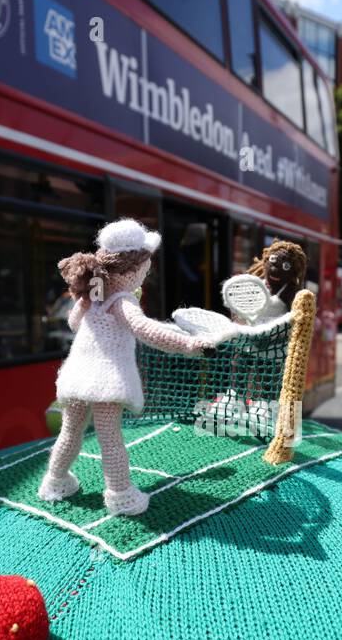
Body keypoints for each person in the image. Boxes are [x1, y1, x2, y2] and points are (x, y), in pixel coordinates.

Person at [39, 219, 214, 516]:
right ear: (132, 271)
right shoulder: (122, 301)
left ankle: (55, 482)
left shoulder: (92, 294)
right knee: (110, 438)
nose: (146, 274)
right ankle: (121, 496)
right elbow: (148, 331)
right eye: (145, 269)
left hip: (78, 375)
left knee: (70, 431)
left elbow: (72, 323)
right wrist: (190, 344)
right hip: (106, 381)